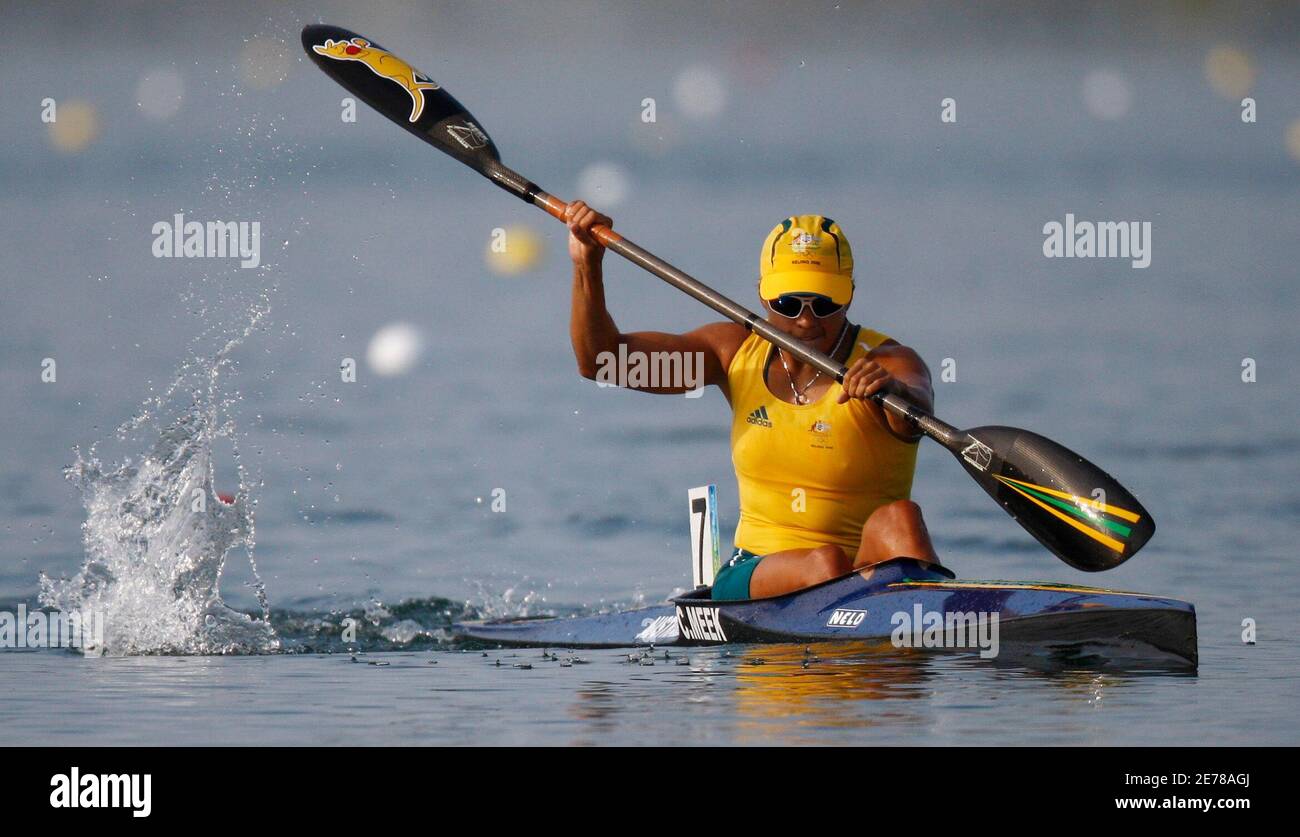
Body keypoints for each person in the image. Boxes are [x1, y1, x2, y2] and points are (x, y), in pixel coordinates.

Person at [566, 204, 943, 600]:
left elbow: (916, 408)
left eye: (825, 302)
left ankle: (940, 616)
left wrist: (893, 393)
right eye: (788, 303)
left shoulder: (888, 361)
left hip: (863, 568)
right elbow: (603, 363)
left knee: (901, 518)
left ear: (849, 295)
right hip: (756, 571)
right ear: (763, 294)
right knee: (826, 562)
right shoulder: (733, 353)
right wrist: (586, 266)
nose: (806, 320)